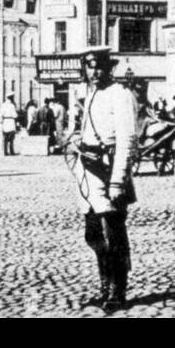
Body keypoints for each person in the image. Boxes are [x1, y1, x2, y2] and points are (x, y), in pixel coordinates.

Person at [67, 47, 139, 313]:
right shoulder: (91, 94)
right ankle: (104, 283)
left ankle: (116, 290)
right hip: (87, 171)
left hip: (109, 171)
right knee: (93, 234)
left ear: (109, 68)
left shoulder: (121, 95)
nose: (94, 72)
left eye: (99, 66)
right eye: (89, 66)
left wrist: (118, 180)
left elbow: (126, 140)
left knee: (114, 235)